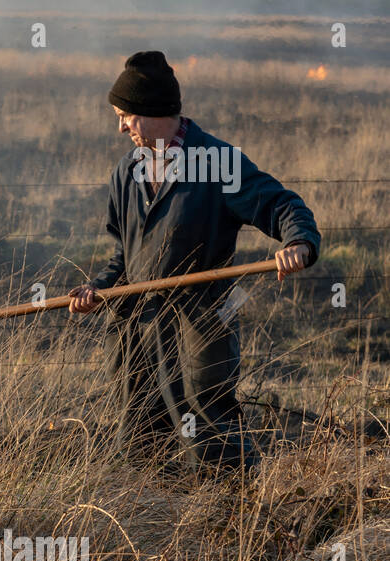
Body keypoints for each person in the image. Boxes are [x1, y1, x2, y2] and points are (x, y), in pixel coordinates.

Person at [68, 51, 320, 477]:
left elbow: (281, 204)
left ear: (151, 110)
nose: (120, 127)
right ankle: (155, 524)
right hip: (138, 323)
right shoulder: (126, 171)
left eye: (126, 115)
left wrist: (299, 241)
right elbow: (124, 254)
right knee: (141, 431)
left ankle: (230, 521)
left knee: (209, 428)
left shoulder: (216, 162)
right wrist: (99, 288)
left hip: (201, 320)